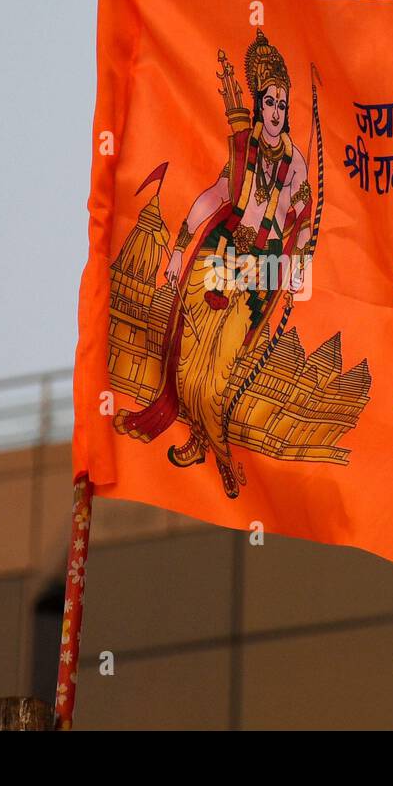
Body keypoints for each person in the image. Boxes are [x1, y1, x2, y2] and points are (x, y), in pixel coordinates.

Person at [112, 28, 314, 498]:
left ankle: (222, 454)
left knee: (220, 365)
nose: (277, 113)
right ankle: (200, 439)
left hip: (260, 269)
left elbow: (300, 217)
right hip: (222, 252)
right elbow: (215, 198)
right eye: (270, 103)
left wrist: (300, 255)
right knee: (187, 354)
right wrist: (181, 246)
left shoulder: (295, 163)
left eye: (283, 105)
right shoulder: (243, 153)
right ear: (259, 103)